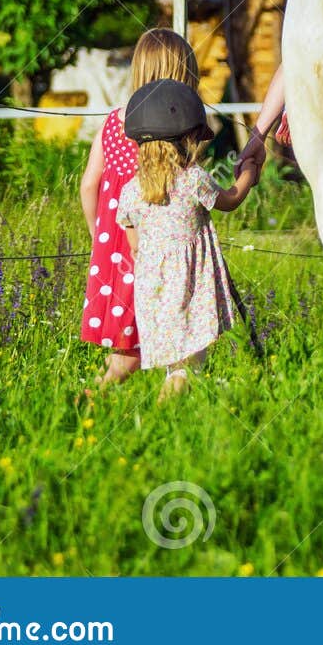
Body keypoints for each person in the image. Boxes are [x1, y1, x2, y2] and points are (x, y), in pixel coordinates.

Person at [116, 78, 258, 400]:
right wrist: (247, 173)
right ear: (186, 139)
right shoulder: (193, 179)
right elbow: (231, 200)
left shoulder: (131, 191)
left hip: (153, 292)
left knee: (177, 367)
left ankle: (172, 423)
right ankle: (162, 423)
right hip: (189, 290)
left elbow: (133, 241)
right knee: (186, 369)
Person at [78, 27, 199, 390]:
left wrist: (99, 236)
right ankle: (165, 420)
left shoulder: (114, 122)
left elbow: (88, 184)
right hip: (163, 249)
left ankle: (87, 402)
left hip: (116, 248)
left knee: (125, 355)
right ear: (182, 76)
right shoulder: (179, 129)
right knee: (182, 350)